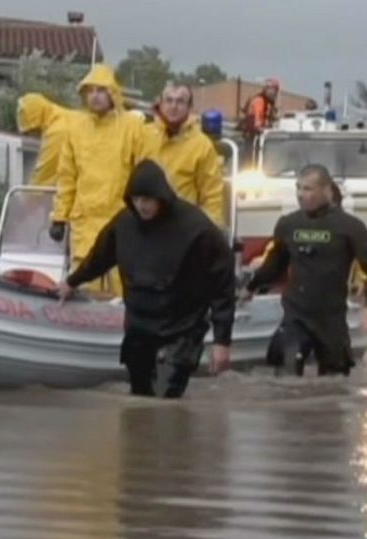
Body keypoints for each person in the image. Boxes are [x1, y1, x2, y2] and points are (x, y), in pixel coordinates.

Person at [57, 160, 236, 399]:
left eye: (148, 200)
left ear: (161, 196)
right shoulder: (124, 224)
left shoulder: (197, 229)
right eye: (136, 199)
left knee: (164, 403)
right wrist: (72, 282)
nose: (142, 206)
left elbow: (223, 283)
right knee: (139, 403)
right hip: (139, 327)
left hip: (181, 328)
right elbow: (99, 258)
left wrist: (222, 341)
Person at [240, 164, 367, 376]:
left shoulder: (349, 227)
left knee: (334, 383)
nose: (301, 195)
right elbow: (275, 264)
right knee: (286, 370)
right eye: (298, 188)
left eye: (308, 189)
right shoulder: (288, 224)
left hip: (331, 318)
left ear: (326, 190)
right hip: (296, 315)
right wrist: (251, 287)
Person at [51, 64, 148, 298]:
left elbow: (144, 171)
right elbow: (67, 177)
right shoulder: (75, 129)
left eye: (100, 90)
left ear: (113, 93)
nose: (94, 96)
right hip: (85, 222)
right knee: (84, 285)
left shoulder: (132, 127)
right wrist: (59, 217)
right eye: (90, 91)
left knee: (124, 286)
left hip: (121, 220)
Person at [143, 83, 227, 226]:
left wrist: (209, 233)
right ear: (161, 104)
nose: (174, 106)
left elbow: (212, 195)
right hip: (144, 224)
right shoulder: (142, 135)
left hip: (183, 228)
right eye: (169, 100)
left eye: (180, 101)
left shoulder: (202, 145)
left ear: (189, 107)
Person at [16, 93, 77, 186]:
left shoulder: (58, 132)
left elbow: (45, 175)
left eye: (31, 131)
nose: (32, 137)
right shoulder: (64, 117)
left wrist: (28, 197)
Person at [239, 78, 280, 153]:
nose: (275, 93)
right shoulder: (260, 101)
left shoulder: (269, 104)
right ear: (266, 89)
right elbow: (258, 124)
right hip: (252, 139)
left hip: (259, 138)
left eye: (276, 90)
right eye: (273, 89)